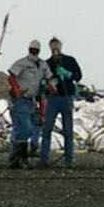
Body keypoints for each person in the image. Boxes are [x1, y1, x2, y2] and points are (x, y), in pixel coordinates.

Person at [39, 36, 84, 166]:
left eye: (57, 46)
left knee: (68, 129)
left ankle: (68, 159)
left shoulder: (70, 61)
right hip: (53, 98)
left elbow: (78, 76)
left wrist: (67, 74)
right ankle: (43, 158)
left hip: (66, 97)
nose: (55, 50)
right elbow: (41, 81)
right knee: (47, 129)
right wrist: (46, 83)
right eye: (53, 47)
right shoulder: (46, 64)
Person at [5, 39, 50, 168]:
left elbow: (48, 78)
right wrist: (16, 89)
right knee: (26, 128)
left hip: (32, 100)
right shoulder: (21, 63)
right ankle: (22, 159)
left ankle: (15, 160)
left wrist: (49, 86)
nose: (33, 52)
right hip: (20, 100)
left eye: (35, 51)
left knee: (23, 130)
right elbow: (11, 77)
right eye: (32, 50)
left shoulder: (42, 65)